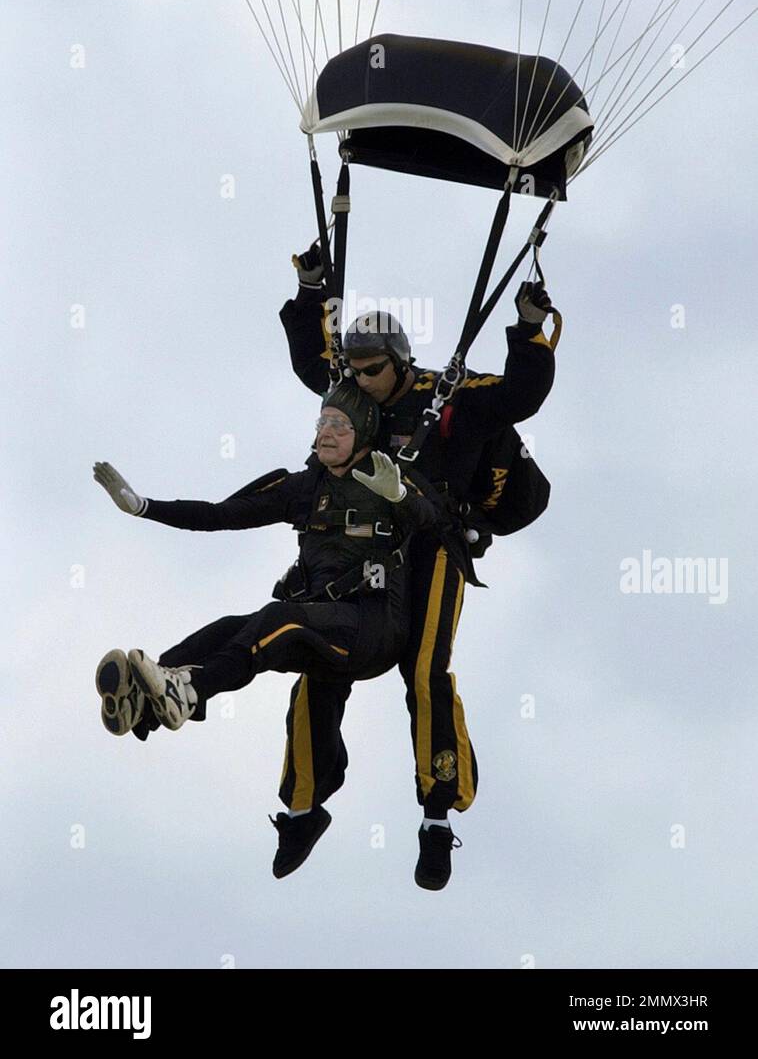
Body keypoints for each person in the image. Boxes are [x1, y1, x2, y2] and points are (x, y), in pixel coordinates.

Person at [279, 242, 558, 889]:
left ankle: (437, 815)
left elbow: (521, 393)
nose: (358, 383)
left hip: (434, 545)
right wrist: (312, 287)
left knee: (426, 669)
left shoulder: (451, 394)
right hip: (364, 549)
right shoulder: (353, 391)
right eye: (353, 370)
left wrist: (528, 329)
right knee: (317, 661)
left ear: (400, 365)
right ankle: (303, 802)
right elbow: (309, 358)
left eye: (372, 370)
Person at [93, 381, 443, 880]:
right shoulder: (305, 486)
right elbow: (220, 516)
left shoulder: (391, 476)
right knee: (231, 628)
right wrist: (145, 507)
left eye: (337, 425)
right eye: (321, 422)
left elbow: (434, 522)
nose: (325, 432)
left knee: (276, 619)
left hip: (371, 630)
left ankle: (188, 691)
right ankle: (145, 698)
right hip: (324, 624)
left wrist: (401, 496)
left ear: (362, 432)